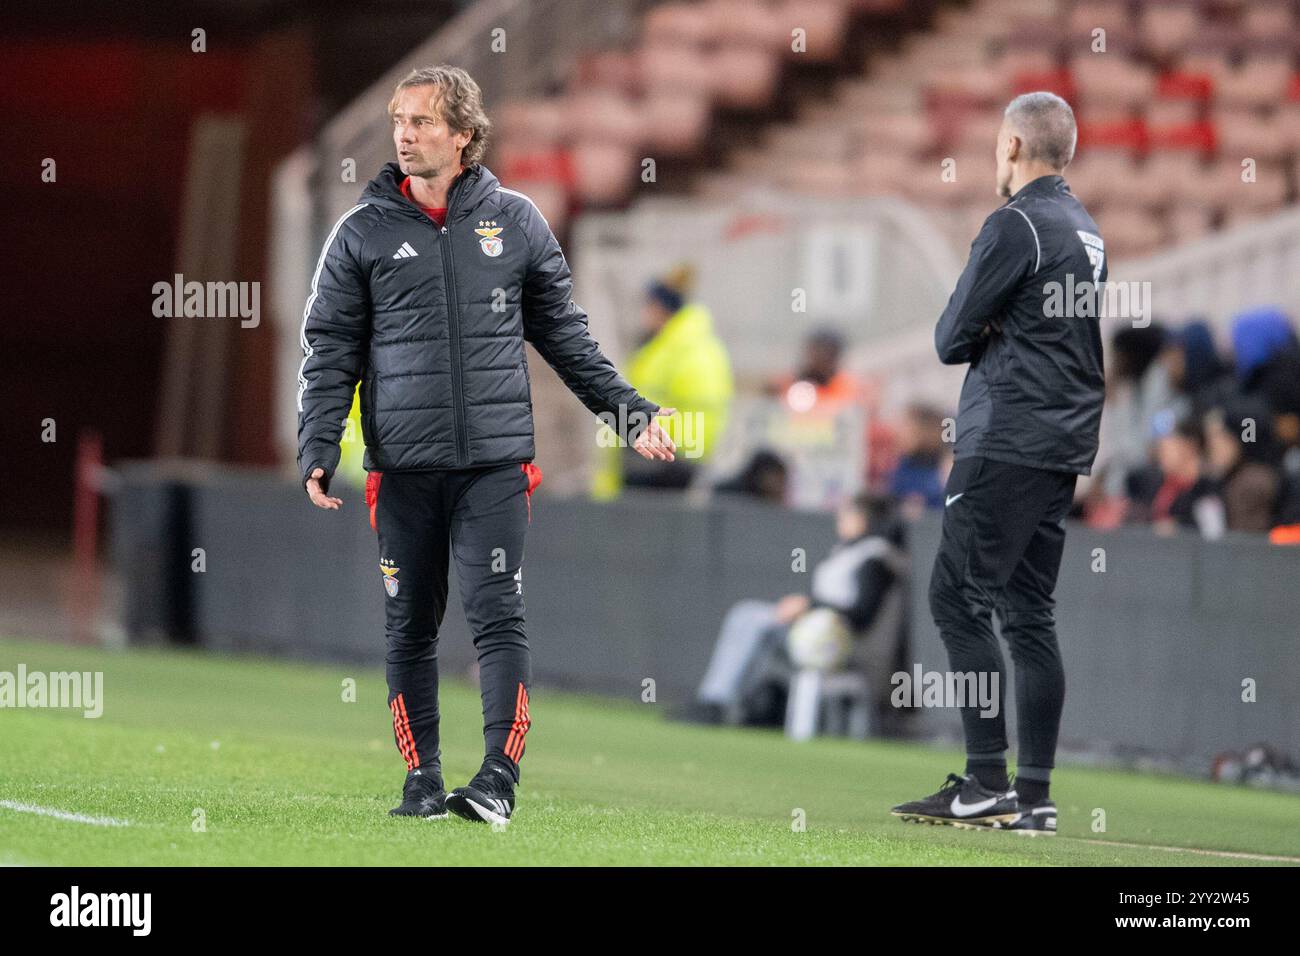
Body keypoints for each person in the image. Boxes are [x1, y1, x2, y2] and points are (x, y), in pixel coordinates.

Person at [296, 65, 676, 826]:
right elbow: (330, 347)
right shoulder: (361, 233)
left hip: (495, 466)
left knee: (497, 613)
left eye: (423, 122)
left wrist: (628, 412)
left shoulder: (518, 223)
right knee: (409, 624)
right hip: (401, 468)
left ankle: (498, 777)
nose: (404, 134)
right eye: (399, 121)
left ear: (464, 134)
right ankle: (422, 779)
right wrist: (317, 443)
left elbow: (567, 338)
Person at [891, 92, 1105, 835]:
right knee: (1029, 615)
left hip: (1007, 436)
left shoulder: (1015, 223)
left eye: (994, 143)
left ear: (1012, 145)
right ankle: (1036, 797)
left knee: (957, 600)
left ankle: (986, 779)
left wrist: (985, 323)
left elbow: (951, 335)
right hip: (1062, 445)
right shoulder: (1084, 227)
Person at [689, 494, 907, 727]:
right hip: (824, 634)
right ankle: (722, 701)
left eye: (848, 514)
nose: (840, 519)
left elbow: (862, 615)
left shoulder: (875, 557)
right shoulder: (847, 552)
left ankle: (717, 702)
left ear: (866, 519)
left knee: (755, 621)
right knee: (746, 616)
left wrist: (809, 605)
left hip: (842, 644)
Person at [592, 264, 734, 496]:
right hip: (652, 459)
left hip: (664, 465)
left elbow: (702, 416)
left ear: (662, 308)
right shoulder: (661, 347)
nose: (645, 312)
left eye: (649, 305)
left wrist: (641, 432)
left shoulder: (689, 349)